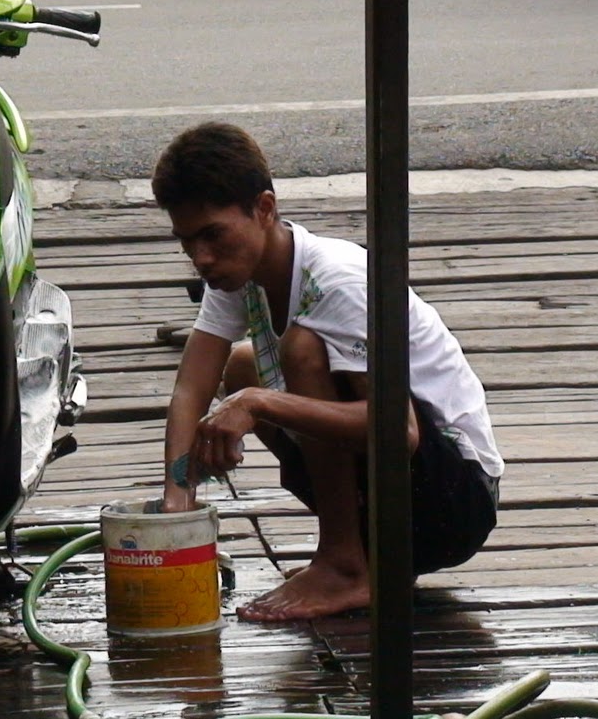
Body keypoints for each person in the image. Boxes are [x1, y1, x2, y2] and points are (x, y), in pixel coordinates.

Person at [150, 122, 504, 622]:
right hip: (385, 508)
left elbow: (398, 432)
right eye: (186, 242)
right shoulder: (234, 276)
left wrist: (257, 404)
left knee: (298, 350)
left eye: (212, 235)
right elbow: (190, 389)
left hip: (453, 501)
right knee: (243, 365)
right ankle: (354, 552)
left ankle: (344, 564)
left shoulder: (337, 280)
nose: (200, 259)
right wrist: (176, 502)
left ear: (265, 208)